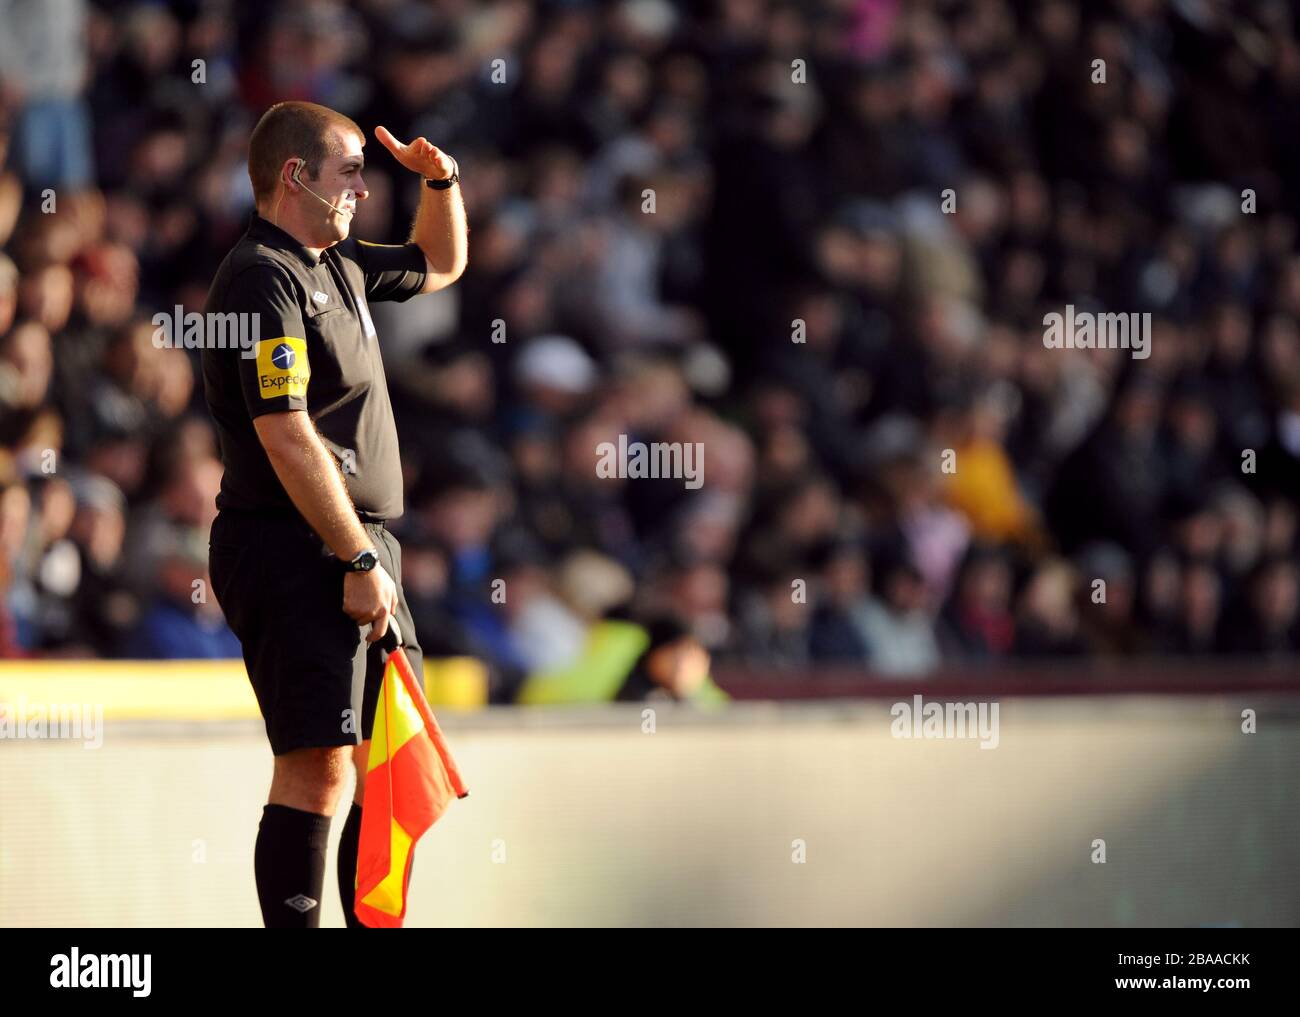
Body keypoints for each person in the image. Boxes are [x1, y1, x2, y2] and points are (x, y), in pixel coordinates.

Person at [200, 100, 467, 927]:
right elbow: (285, 435)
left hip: (359, 544)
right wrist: (355, 558)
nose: (362, 184)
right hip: (296, 546)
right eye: (350, 168)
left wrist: (443, 178)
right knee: (317, 762)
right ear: (295, 175)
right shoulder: (262, 275)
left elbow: (441, 260)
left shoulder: (338, 261)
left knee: (383, 760)